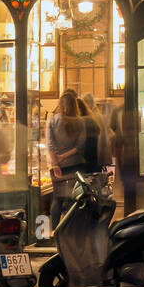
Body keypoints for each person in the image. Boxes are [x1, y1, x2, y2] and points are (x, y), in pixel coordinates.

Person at [47, 90, 91, 230]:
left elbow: (50, 144)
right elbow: (80, 146)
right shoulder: (80, 121)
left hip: (56, 167)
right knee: (74, 198)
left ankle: (55, 229)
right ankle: (70, 229)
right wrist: (65, 156)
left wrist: (56, 163)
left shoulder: (52, 120)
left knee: (57, 198)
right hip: (75, 164)